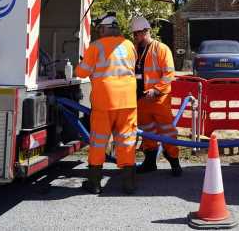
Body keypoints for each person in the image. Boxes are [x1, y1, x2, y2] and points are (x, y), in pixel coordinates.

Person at [75, 12, 139, 194]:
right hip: (127, 101)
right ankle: (129, 183)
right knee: (126, 141)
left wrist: (80, 65)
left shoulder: (96, 46)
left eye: (100, 28)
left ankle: (94, 183)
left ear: (105, 28)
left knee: (98, 141)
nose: (99, 31)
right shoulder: (129, 45)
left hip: (105, 102)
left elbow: (81, 72)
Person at [130, 16, 182, 177]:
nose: (135, 37)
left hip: (159, 99)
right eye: (134, 34)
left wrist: (156, 90)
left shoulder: (161, 49)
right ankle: (150, 162)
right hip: (141, 100)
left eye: (138, 33)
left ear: (146, 31)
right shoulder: (134, 49)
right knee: (147, 132)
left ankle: (174, 162)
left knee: (166, 131)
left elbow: (169, 74)